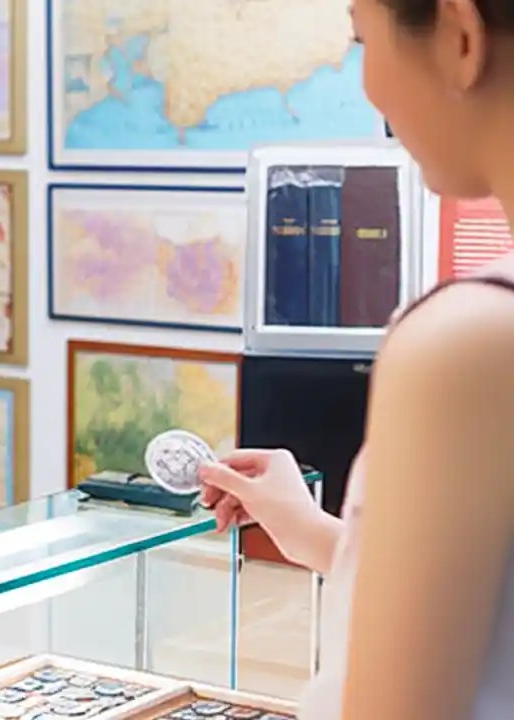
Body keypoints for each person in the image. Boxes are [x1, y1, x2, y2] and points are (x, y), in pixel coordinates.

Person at [199, 1, 514, 717]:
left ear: (461, 38)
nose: (370, 88)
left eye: (362, 40)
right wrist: (316, 532)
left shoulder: (467, 343)